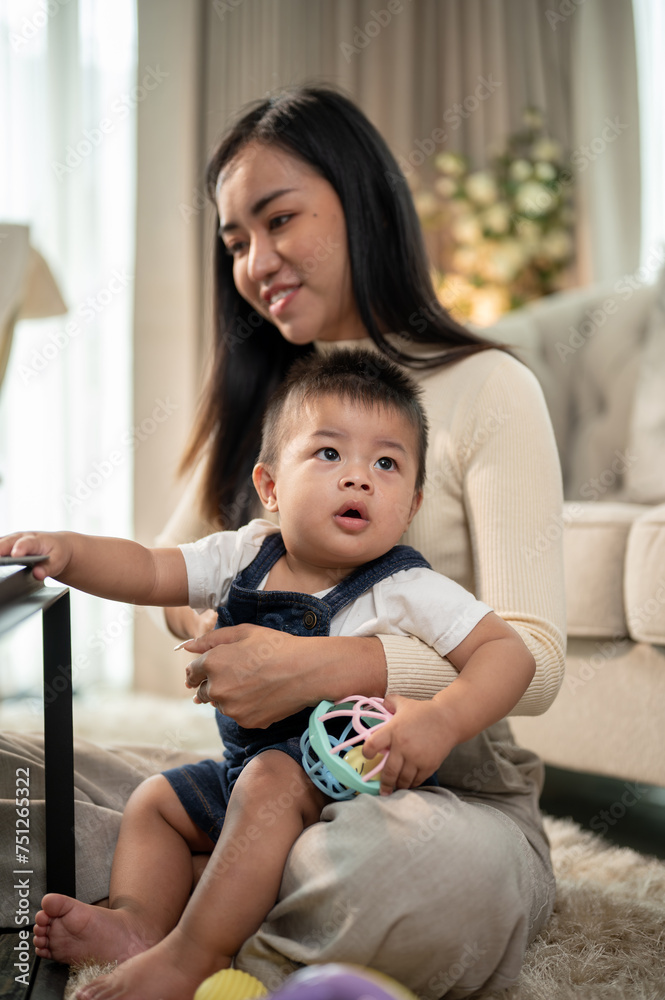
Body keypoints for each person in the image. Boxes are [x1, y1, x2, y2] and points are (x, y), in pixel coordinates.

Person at [3, 350, 537, 1000]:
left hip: (343, 789)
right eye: (329, 454)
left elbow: (509, 653)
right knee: (157, 803)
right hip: (248, 774)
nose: (359, 479)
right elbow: (149, 569)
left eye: (386, 463)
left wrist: (442, 716)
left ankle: (193, 954)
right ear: (270, 485)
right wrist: (71, 552)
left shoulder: (408, 588)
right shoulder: (246, 552)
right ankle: (137, 923)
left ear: (411, 504)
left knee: (270, 779)